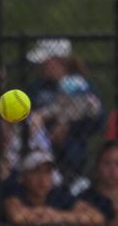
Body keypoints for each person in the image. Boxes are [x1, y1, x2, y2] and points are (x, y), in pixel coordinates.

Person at [25, 38, 104, 179]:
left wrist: (69, 127)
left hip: (71, 155)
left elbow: (98, 120)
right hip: (41, 153)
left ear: (58, 61)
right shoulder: (36, 87)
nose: (42, 65)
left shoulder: (81, 86)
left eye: (46, 61)